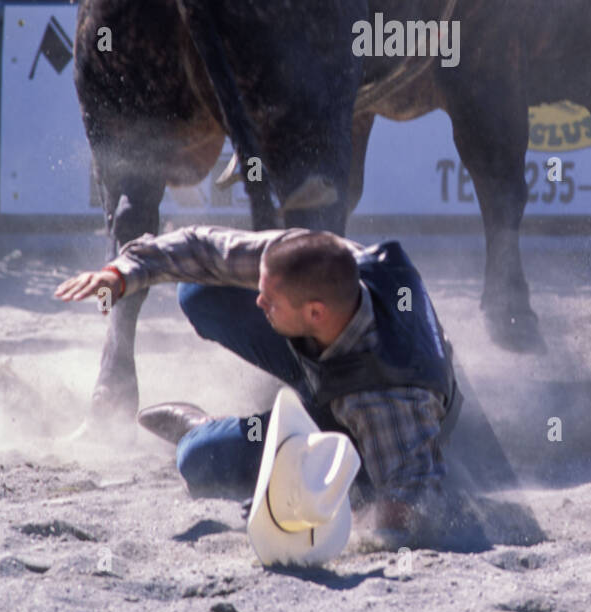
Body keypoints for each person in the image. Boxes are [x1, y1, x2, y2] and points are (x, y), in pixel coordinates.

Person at [55, 228, 462, 537]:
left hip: (354, 418)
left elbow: (411, 505)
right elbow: (203, 248)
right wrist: (120, 274)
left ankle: (200, 426)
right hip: (338, 358)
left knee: (200, 456)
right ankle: (293, 401)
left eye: (270, 299)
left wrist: (301, 513)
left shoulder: (384, 404)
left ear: (315, 313)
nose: (258, 301)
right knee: (199, 289)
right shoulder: (323, 259)